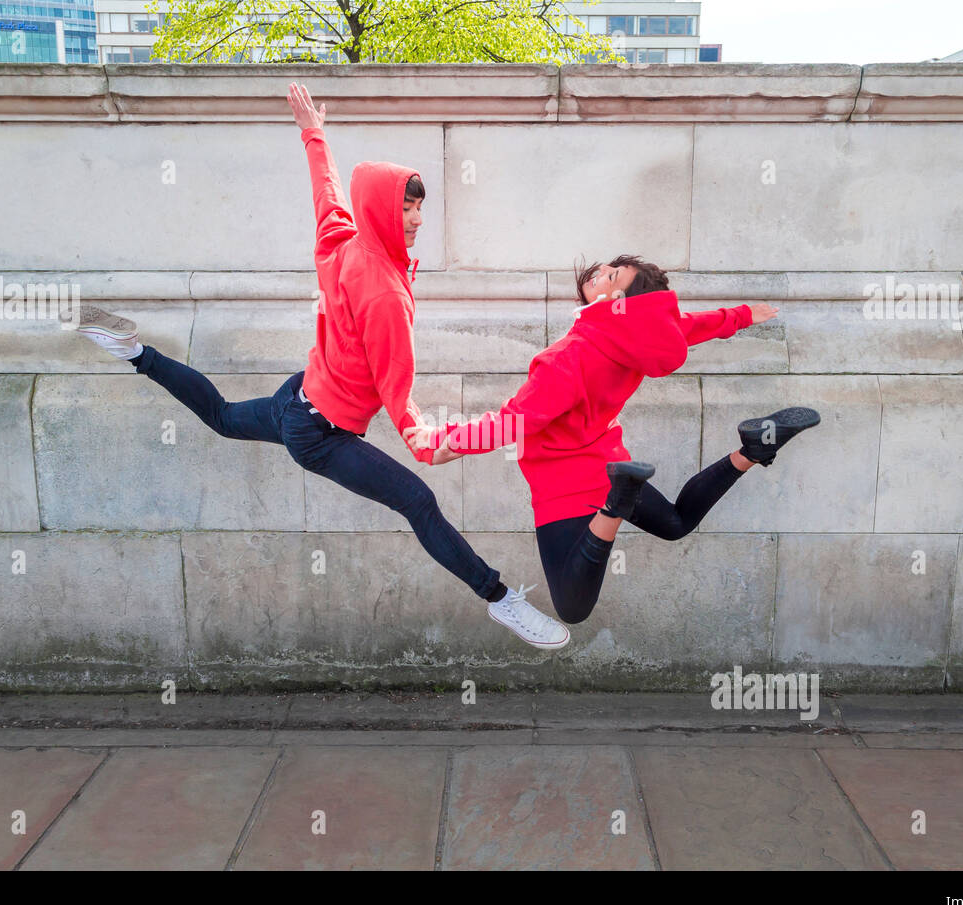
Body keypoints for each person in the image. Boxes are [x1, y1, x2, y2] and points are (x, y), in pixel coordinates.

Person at [68, 82, 572, 650]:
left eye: (419, 206)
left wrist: (313, 132)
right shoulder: (385, 297)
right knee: (418, 502)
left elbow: (327, 192)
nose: (415, 219)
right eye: (405, 207)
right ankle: (502, 601)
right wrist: (428, 441)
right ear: (383, 208)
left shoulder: (342, 241)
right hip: (322, 437)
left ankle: (133, 352)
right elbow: (395, 390)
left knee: (222, 416)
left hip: (295, 400)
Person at [405, 255, 821, 625]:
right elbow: (686, 327)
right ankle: (753, 449)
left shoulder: (569, 357)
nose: (601, 270)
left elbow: (513, 423)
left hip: (565, 486)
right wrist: (743, 315)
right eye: (610, 267)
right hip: (610, 465)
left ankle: (615, 505)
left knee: (571, 609)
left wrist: (441, 443)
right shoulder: (634, 337)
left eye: (612, 276)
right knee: (676, 524)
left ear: (615, 302)